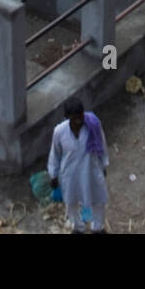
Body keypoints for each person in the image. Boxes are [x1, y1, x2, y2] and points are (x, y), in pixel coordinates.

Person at [48, 97, 109, 234]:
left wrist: (104, 164)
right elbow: (55, 154)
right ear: (67, 117)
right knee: (71, 202)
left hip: (91, 170)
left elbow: (102, 144)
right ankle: (78, 227)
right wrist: (53, 175)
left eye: (80, 117)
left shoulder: (93, 125)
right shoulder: (59, 132)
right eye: (74, 118)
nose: (79, 121)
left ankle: (97, 228)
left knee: (98, 199)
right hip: (70, 173)